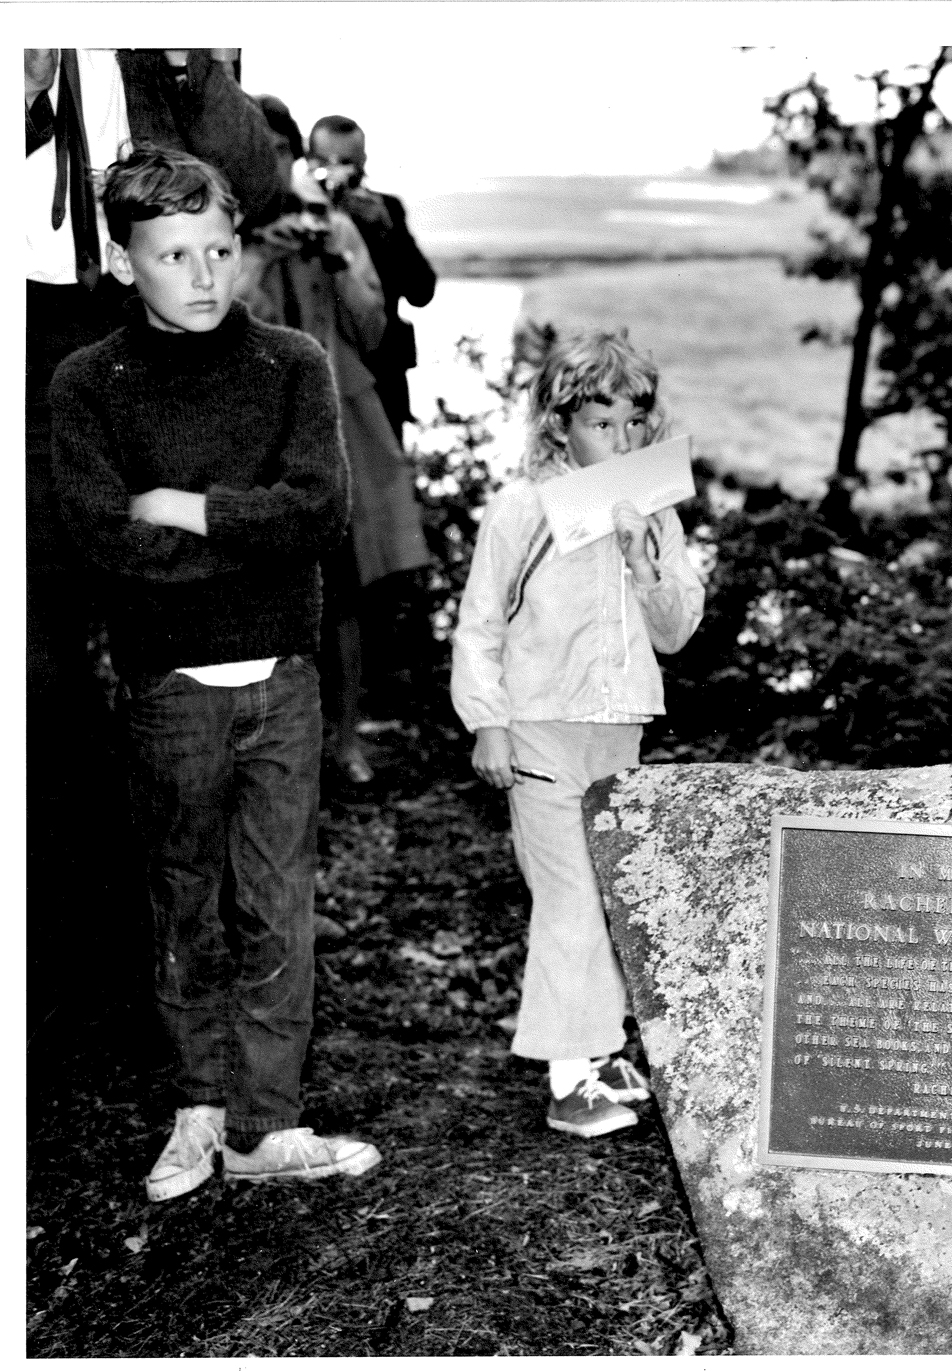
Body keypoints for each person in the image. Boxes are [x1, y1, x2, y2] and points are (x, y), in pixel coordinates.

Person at [51, 145, 381, 1199]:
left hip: (285, 679)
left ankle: (268, 1124)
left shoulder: (290, 364)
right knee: (184, 898)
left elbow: (319, 513)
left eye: (221, 250)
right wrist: (248, 527)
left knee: (277, 901)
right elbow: (104, 538)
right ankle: (200, 1111)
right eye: (173, 253)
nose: (203, 276)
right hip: (168, 693)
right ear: (123, 260)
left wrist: (189, 506)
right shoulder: (89, 383)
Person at [26, 48, 285, 1026]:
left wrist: (186, 67)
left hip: (147, 352)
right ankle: (64, 953)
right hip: (25, 354)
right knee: (39, 675)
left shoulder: (147, 57)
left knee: (199, 661)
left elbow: (254, 183)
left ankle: (200, 968)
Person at [450, 331, 706, 1138]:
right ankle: (569, 1080)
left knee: (606, 894)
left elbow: (676, 634)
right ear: (560, 424)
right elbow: (480, 623)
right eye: (603, 425)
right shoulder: (525, 507)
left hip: (618, 731)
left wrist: (643, 561)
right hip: (540, 728)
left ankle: (598, 1052)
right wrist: (488, 722)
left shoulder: (654, 510)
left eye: (635, 424)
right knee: (567, 900)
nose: (622, 442)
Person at [237, 98, 429, 783]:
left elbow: (373, 332)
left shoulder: (334, 223)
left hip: (334, 432)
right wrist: (261, 255)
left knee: (344, 592)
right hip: (257, 439)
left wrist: (336, 258)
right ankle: (276, 746)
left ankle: (346, 741)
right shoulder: (231, 233)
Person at [307, 113, 438, 442]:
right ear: (308, 162)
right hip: (320, 366)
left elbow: (422, 291)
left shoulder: (385, 211)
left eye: (346, 163)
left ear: (363, 163)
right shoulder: (298, 212)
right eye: (325, 162)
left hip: (380, 372)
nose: (335, 173)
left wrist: (386, 231)